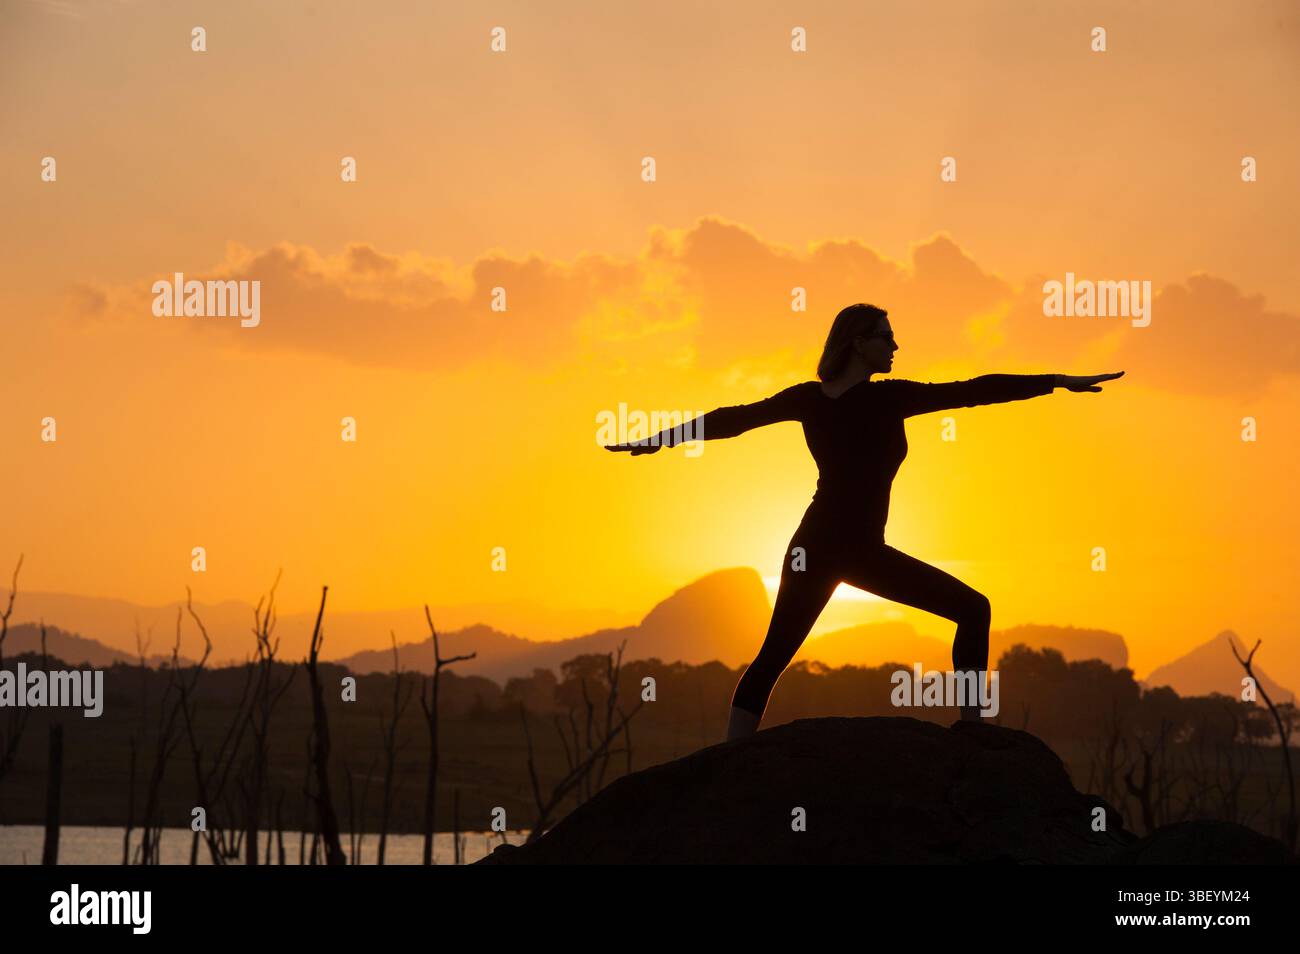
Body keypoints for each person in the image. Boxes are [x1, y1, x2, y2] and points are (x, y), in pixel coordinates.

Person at [606, 303, 1124, 740]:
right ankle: (730, 765)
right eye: (886, 337)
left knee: (967, 610)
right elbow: (733, 419)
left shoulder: (877, 397)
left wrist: (1055, 381)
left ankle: (973, 733)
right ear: (857, 343)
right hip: (826, 547)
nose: (895, 346)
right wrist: (658, 438)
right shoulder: (830, 398)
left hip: (838, 547)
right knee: (776, 656)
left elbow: (973, 390)